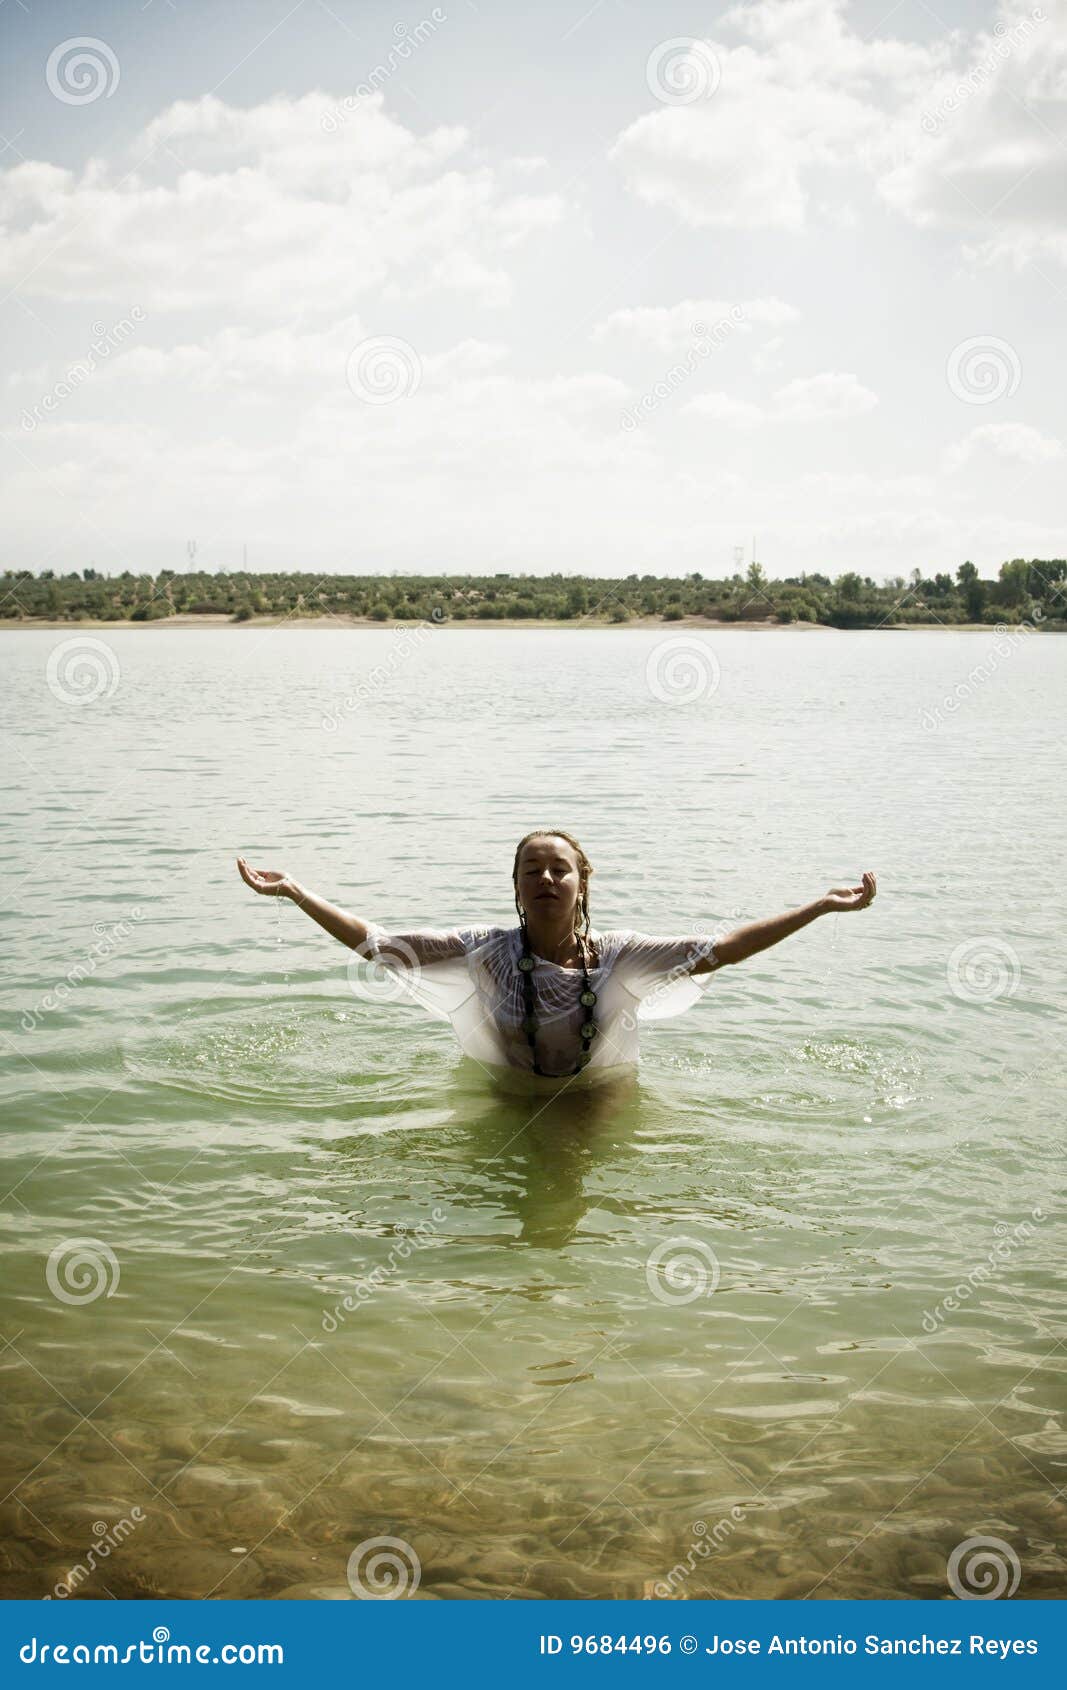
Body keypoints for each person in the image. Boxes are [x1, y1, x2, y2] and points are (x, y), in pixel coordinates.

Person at [236, 830, 876, 1085]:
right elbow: (381, 945)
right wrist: (295, 891)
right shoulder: (484, 949)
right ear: (515, 886)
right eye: (532, 870)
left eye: (559, 869)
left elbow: (723, 949)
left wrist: (819, 906)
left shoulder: (620, 956)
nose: (546, 878)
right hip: (508, 1093)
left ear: (582, 884)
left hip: (597, 1096)